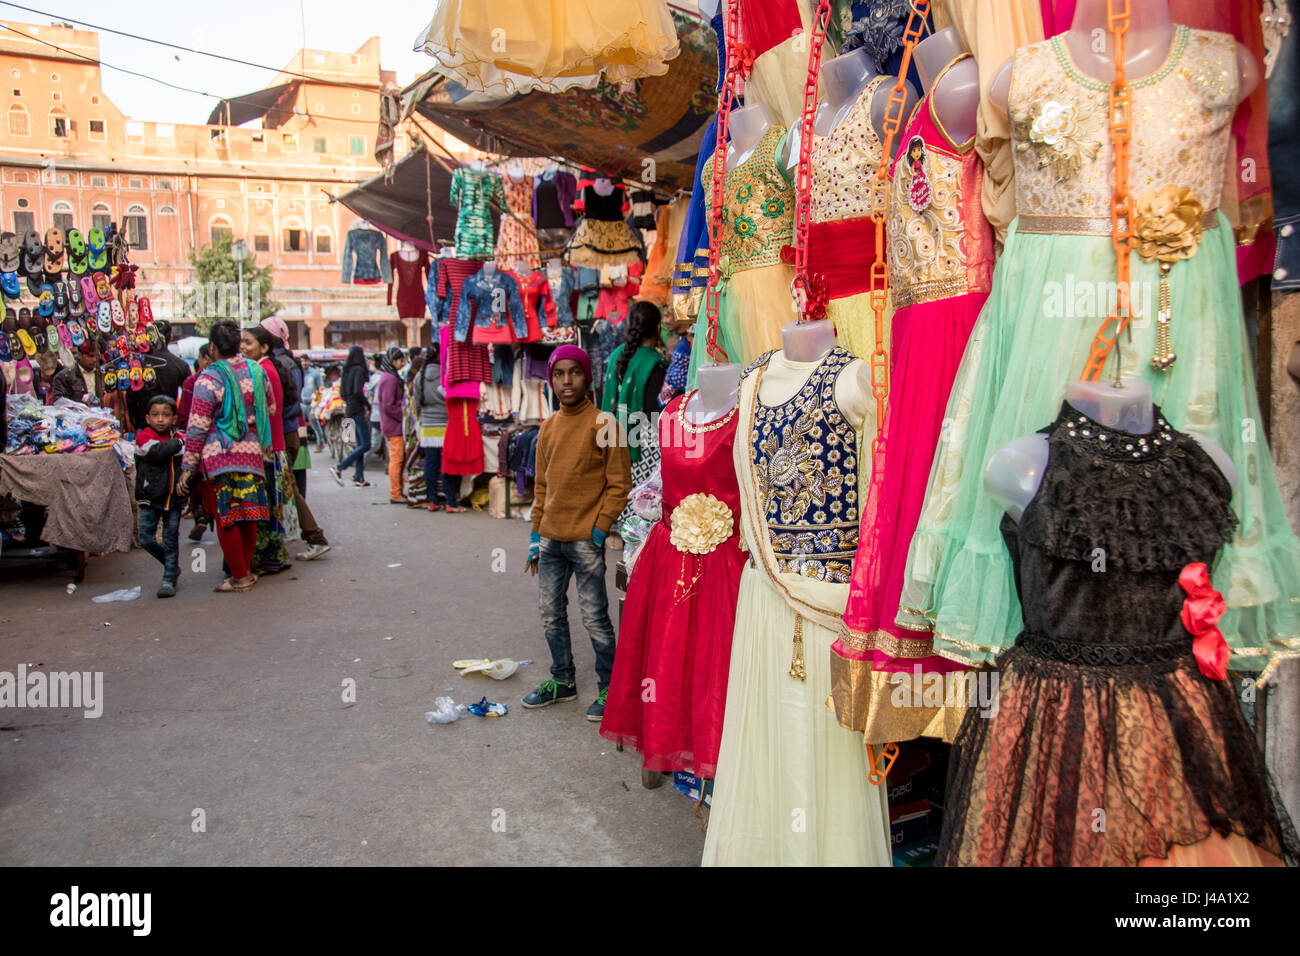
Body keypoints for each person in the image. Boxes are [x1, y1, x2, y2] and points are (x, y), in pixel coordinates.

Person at [523, 345, 632, 720]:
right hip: (551, 540)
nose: (566, 381)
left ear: (588, 377)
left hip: (586, 541)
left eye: (574, 372)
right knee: (550, 613)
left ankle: (609, 688)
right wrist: (536, 536)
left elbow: (619, 484)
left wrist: (599, 531)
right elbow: (542, 486)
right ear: (550, 379)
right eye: (558, 374)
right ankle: (563, 680)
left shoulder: (606, 425)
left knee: (594, 617)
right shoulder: (548, 427)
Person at [178, 321, 273, 593]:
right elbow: (271, 405)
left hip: (219, 458)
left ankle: (239, 577)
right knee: (249, 515)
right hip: (253, 454)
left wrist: (187, 467)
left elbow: (197, 427)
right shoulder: (257, 371)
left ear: (213, 347)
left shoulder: (208, 378)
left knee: (227, 517)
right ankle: (245, 571)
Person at [261, 317, 331, 561]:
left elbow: (283, 405)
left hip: (287, 431)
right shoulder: (290, 361)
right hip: (296, 430)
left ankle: (313, 535)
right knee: (295, 481)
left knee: (290, 483)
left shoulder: (275, 364)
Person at [600, 300, 667, 525]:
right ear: (658, 328)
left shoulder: (617, 354)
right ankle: (639, 535)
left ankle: (621, 526)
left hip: (615, 435)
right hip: (643, 441)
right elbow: (653, 411)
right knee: (645, 488)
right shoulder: (655, 363)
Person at [241, 325, 295, 576]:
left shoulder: (262, 371)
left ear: (264, 347)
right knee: (275, 505)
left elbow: (265, 413)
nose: (243, 347)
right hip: (274, 445)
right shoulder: (267, 368)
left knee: (270, 506)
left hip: (268, 447)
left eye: (248, 343)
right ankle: (274, 556)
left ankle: (270, 559)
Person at [133, 395, 184, 598]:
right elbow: (156, 452)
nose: (160, 419)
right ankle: (171, 564)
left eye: (165, 415)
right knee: (145, 538)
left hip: (173, 498)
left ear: (174, 418)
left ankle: (169, 577)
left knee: (171, 538)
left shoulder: (179, 438)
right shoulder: (144, 437)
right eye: (155, 415)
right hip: (149, 496)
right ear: (147, 418)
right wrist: (178, 443)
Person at [410, 342, 459, 512]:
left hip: (428, 426)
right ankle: (450, 502)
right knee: (447, 464)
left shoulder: (419, 377)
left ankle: (432, 501)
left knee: (431, 464)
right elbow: (452, 399)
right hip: (446, 424)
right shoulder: (445, 375)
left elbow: (416, 403)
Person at [126, 319, 189, 430]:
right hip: (169, 424)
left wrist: (136, 422)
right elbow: (188, 397)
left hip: (144, 424)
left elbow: (131, 397)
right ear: (171, 337)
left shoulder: (138, 364)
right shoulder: (180, 365)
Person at [178, 344, 212, 542]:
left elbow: (184, 414)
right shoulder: (227, 378)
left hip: (196, 436)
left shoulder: (192, 381)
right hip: (218, 442)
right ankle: (213, 514)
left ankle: (200, 516)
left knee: (195, 481)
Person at [333, 345, 373, 487]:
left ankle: (359, 477)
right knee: (366, 444)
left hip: (349, 409)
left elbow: (343, 393)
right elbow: (358, 391)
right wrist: (367, 405)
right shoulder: (359, 370)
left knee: (360, 444)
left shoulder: (346, 371)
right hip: (358, 409)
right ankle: (340, 467)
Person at [375, 346, 408, 504]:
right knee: (397, 458)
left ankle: (398, 490)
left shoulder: (389, 377)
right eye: (401, 360)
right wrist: (403, 417)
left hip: (392, 423)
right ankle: (395, 492)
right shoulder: (390, 379)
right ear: (394, 361)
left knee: (398, 458)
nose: (403, 363)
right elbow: (389, 405)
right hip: (394, 425)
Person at [48, 340, 104, 405]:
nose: (94, 359)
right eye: (90, 356)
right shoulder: (65, 376)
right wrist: (81, 401)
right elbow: (57, 401)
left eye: (97, 356)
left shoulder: (102, 374)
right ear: (79, 355)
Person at [300, 355, 326, 451]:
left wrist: (316, 403)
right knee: (300, 426)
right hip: (301, 403)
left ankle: (320, 443)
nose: (304, 363)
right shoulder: (299, 373)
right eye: (302, 361)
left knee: (314, 424)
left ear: (309, 361)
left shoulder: (315, 374)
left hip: (312, 404)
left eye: (306, 361)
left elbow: (321, 389)